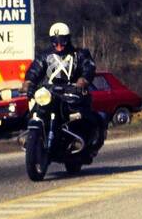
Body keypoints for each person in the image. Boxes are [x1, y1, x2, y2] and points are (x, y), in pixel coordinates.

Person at [24, 22, 105, 153]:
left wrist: (82, 80)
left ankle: (79, 139)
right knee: (35, 110)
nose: (59, 45)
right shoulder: (44, 56)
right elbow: (34, 70)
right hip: (50, 92)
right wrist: (28, 83)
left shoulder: (80, 54)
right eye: (55, 41)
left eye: (62, 41)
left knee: (80, 115)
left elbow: (89, 67)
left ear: (68, 39)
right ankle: (33, 137)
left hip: (72, 93)